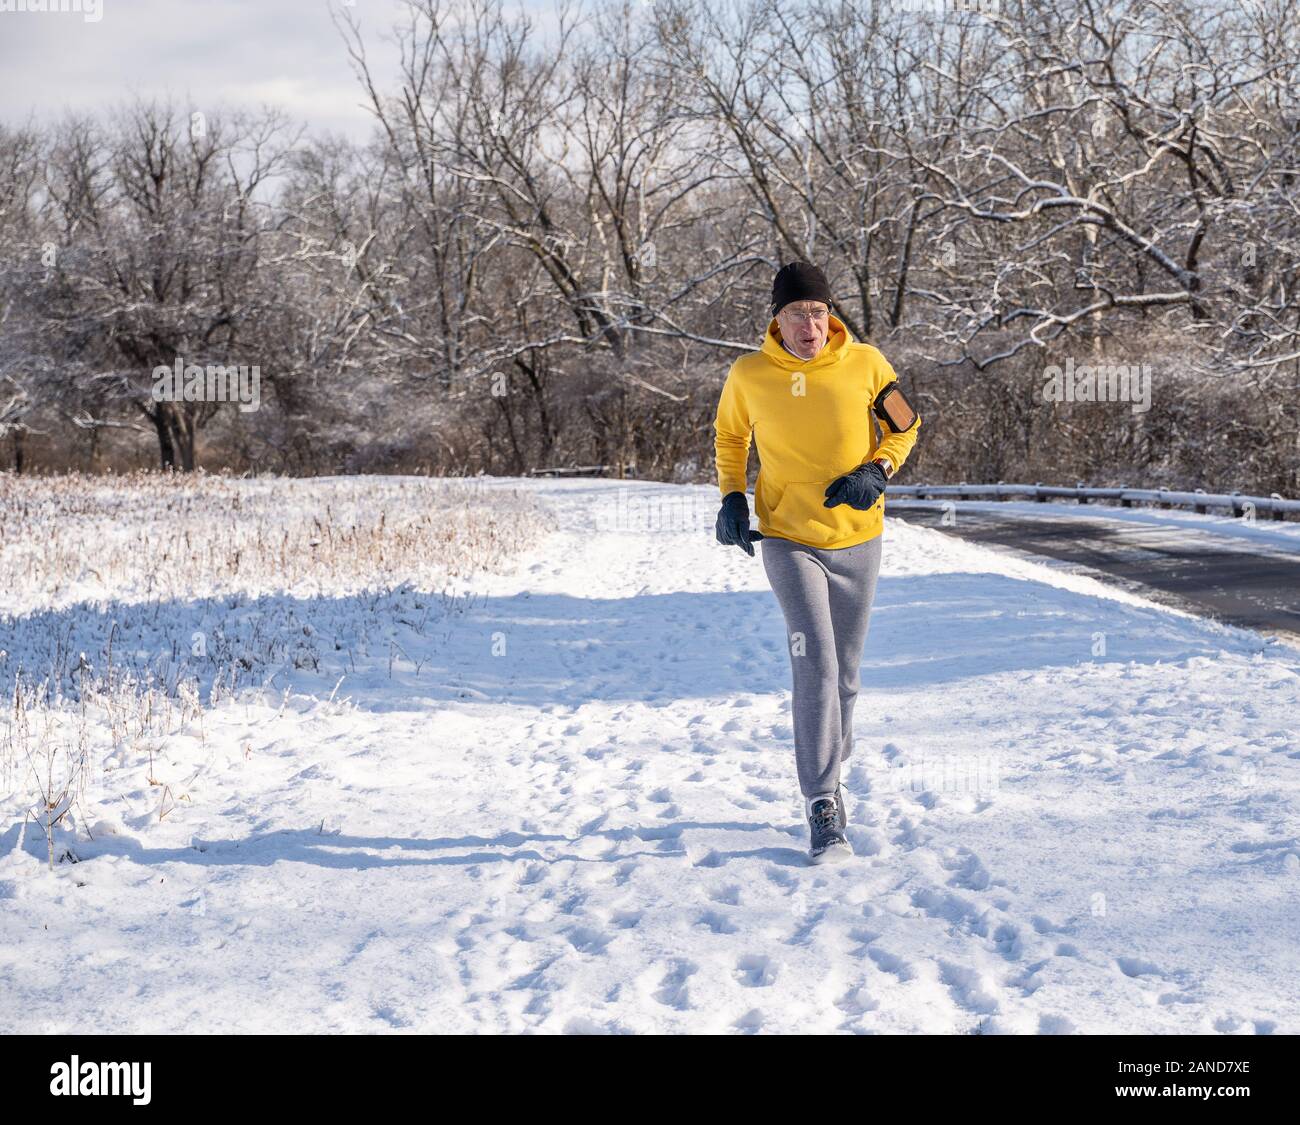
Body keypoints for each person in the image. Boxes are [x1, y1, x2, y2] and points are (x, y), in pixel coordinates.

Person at [713, 261, 921, 863]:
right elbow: (731, 437)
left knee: (848, 678)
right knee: (818, 666)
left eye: (818, 311)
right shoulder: (750, 374)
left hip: (858, 536)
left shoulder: (867, 364)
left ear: (831, 314)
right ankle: (823, 804)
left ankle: (831, 754)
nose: (810, 323)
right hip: (787, 535)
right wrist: (731, 494)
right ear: (776, 320)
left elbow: (907, 427)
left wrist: (876, 472)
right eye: (797, 313)